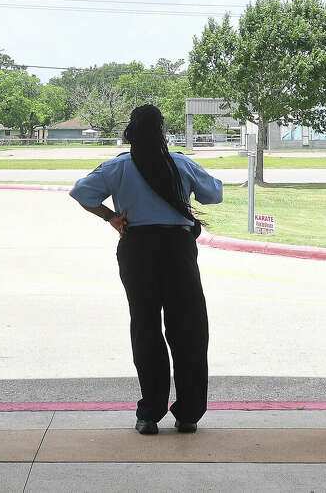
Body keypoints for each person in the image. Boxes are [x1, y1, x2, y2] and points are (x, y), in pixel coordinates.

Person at [69, 103, 223, 435]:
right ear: (162, 131)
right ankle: (188, 414)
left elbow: (81, 192)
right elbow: (214, 195)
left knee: (145, 327)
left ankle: (149, 414)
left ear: (130, 132)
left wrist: (111, 217)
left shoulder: (119, 166)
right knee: (189, 329)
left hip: (137, 248)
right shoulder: (180, 162)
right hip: (178, 249)